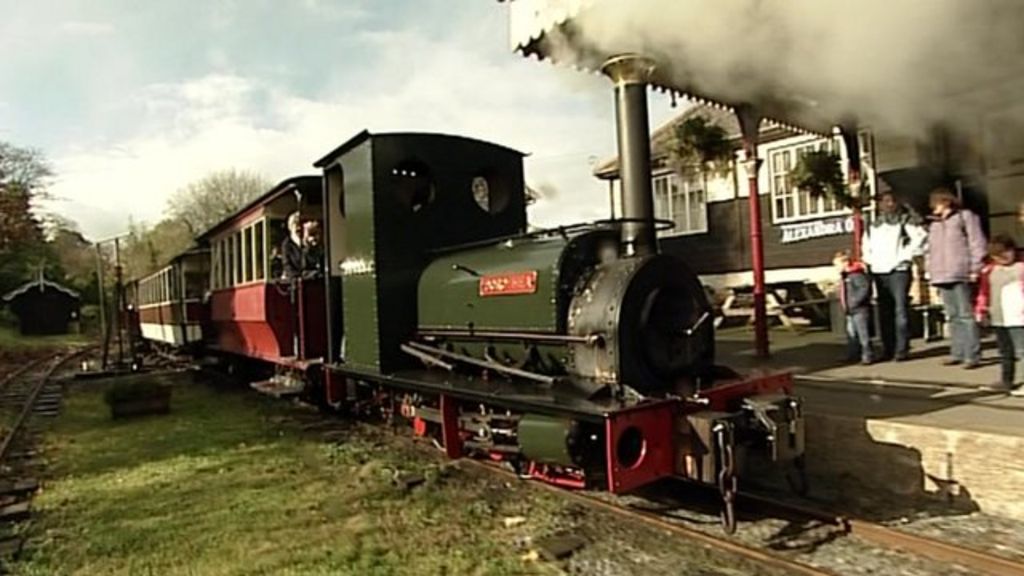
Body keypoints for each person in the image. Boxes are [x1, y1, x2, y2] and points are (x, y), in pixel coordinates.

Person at [861, 191, 927, 361]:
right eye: (884, 201)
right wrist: (871, 260)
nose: (888, 204)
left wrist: (904, 255)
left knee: (900, 310)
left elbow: (920, 238)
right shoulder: (872, 224)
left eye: (891, 201)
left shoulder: (905, 221)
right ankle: (887, 348)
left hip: (898, 270)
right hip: (879, 271)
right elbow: (865, 246)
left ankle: (901, 349)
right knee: (884, 312)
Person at [926, 188, 987, 368]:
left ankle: (972, 354)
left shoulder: (965, 217)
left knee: (965, 315)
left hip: (960, 272)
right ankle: (957, 352)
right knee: (952, 316)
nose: (933, 208)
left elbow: (977, 243)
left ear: (945, 202)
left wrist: (976, 267)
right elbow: (930, 250)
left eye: (935, 203)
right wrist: (930, 271)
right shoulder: (935, 224)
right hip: (941, 274)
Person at [974, 236, 1024, 395]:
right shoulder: (989, 270)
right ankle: (1006, 381)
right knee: (1005, 351)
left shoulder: (1021, 267)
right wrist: (981, 310)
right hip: (999, 315)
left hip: (1019, 317)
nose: (1003, 257)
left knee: (1022, 351)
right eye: (998, 254)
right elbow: (984, 292)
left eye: (1006, 251)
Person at [834, 250, 874, 365]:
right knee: (851, 333)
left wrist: (855, 301)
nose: (836, 268)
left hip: (859, 309)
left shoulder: (856, 275)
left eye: (837, 265)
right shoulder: (845, 276)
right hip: (849, 309)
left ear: (845, 263)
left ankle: (867, 354)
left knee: (863, 333)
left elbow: (864, 289)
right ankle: (853, 353)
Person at [281, 212, 304, 279]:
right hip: (293, 280)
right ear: (290, 227)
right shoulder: (286, 244)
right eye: (295, 224)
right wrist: (297, 276)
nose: (299, 228)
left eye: (300, 224)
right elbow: (286, 264)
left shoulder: (306, 242)